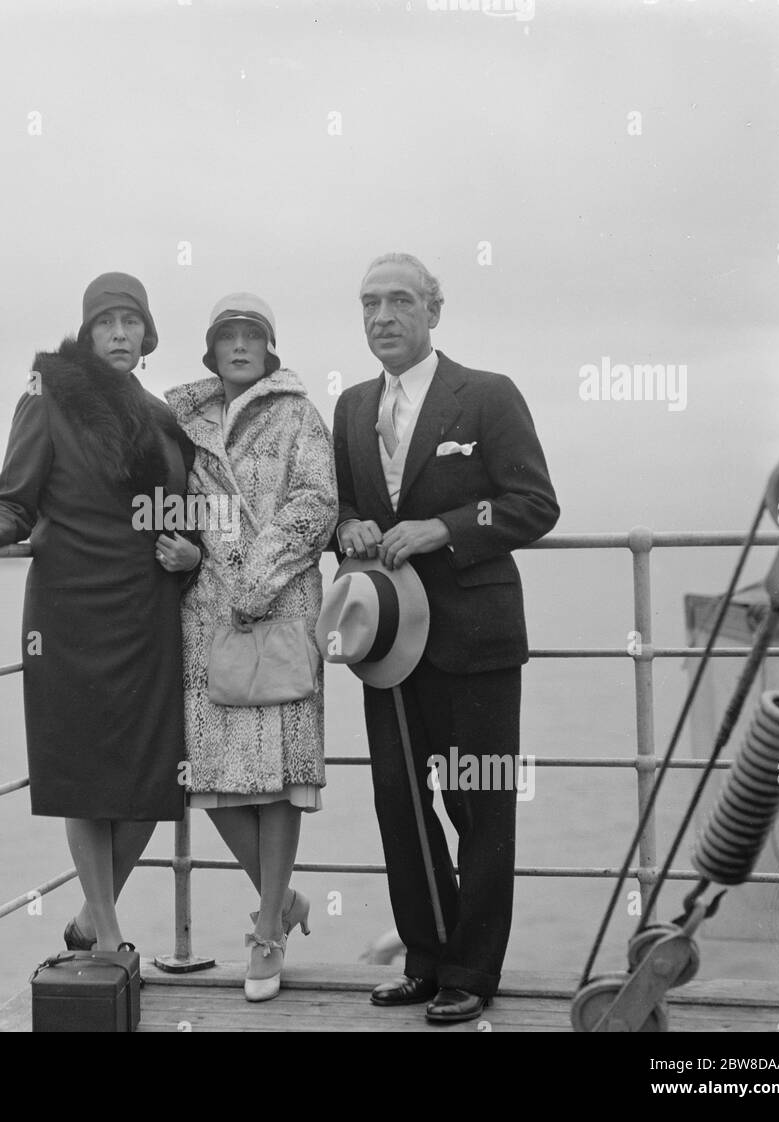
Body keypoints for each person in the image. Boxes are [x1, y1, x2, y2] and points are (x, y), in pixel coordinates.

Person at [0, 272, 202, 953]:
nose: (118, 332)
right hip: (73, 612)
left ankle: (91, 913)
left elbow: (184, 512)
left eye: (130, 321)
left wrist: (192, 551)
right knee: (85, 776)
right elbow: (15, 493)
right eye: (105, 322)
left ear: (148, 336)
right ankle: (109, 937)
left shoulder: (164, 418)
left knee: (154, 775)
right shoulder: (49, 395)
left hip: (148, 612)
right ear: (87, 333)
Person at [331, 253, 559, 1023]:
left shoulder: (488, 396)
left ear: (434, 310)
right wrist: (349, 526)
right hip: (388, 645)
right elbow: (344, 509)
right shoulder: (352, 406)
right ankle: (424, 960)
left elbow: (533, 503)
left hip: (477, 640)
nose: (382, 317)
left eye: (399, 301)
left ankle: (473, 972)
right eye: (369, 303)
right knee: (400, 804)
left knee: (481, 803)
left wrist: (445, 529)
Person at [165, 293, 337, 1001]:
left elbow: (317, 502)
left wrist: (255, 575)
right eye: (227, 336)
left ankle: (267, 931)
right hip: (207, 610)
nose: (239, 346)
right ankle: (282, 898)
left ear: (270, 348)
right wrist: (176, 549)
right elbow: (164, 494)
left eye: (252, 336)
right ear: (211, 349)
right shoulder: (182, 421)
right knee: (217, 779)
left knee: (280, 776)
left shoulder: (299, 415)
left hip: (282, 602)